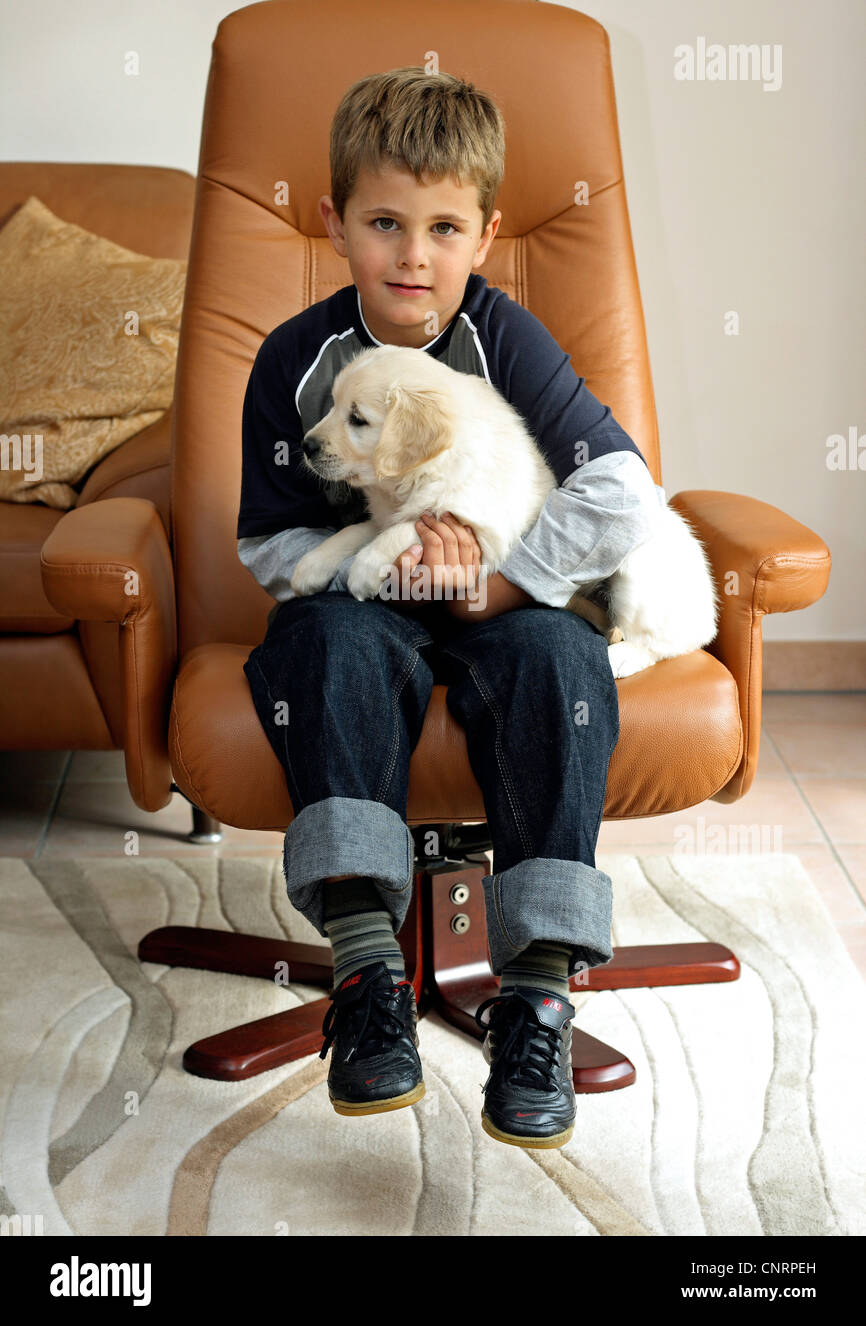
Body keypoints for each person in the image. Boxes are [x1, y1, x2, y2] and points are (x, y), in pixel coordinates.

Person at [236, 66, 662, 1149]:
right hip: (363, 610)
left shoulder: (504, 338)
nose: (412, 256)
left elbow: (620, 493)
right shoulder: (294, 360)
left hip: (502, 606)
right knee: (324, 642)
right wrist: (389, 563)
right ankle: (366, 974)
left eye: (442, 228)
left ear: (486, 235)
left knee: (560, 662)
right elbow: (269, 544)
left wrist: (499, 583)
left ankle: (537, 996)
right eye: (384, 223)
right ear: (334, 222)